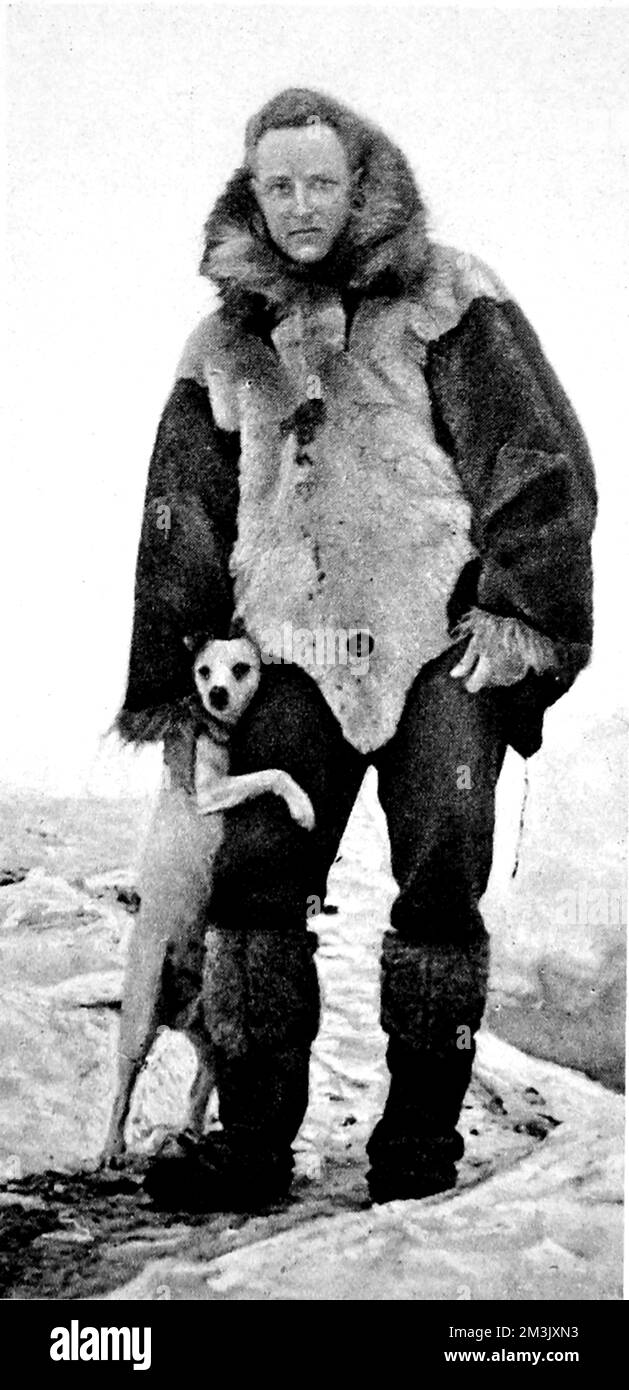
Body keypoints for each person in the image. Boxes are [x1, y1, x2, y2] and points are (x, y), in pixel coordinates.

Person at [116, 88, 596, 1208]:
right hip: (286, 655)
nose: (299, 207)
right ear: (251, 188)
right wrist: (181, 671)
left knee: (440, 885)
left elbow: (538, 459)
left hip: (434, 648)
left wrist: (519, 612)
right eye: (277, 185)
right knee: (253, 888)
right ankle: (249, 1147)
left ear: (360, 181)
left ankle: (416, 1152)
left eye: (321, 183)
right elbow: (179, 514)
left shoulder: (448, 295)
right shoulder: (223, 340)